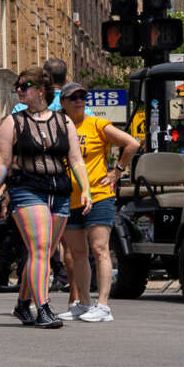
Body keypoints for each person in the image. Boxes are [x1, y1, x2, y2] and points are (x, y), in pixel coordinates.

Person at [0, 68, 91, 329]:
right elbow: (2, 162)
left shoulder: (63, 121)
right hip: (27, 188)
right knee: (41, 249)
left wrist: (86, 189)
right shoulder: (13, 122)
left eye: (25, 86)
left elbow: (76, 159)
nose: (20, 90)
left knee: (42, 253)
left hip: (59, 191)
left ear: (41, 89)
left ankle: (23, 302)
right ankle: (43, 308)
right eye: (18, 86)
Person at [60, 81, 139, 323]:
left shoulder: (96, 124)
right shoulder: (60, 128)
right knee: (77, 252)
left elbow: (132, 143)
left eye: (82, 96)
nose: (79, 101)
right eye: (73, 97)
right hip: (69, 198)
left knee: (100, 249)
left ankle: (103, 305)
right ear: (63, 103)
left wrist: (117, 171)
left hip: (98, 194)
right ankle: (84, 304)